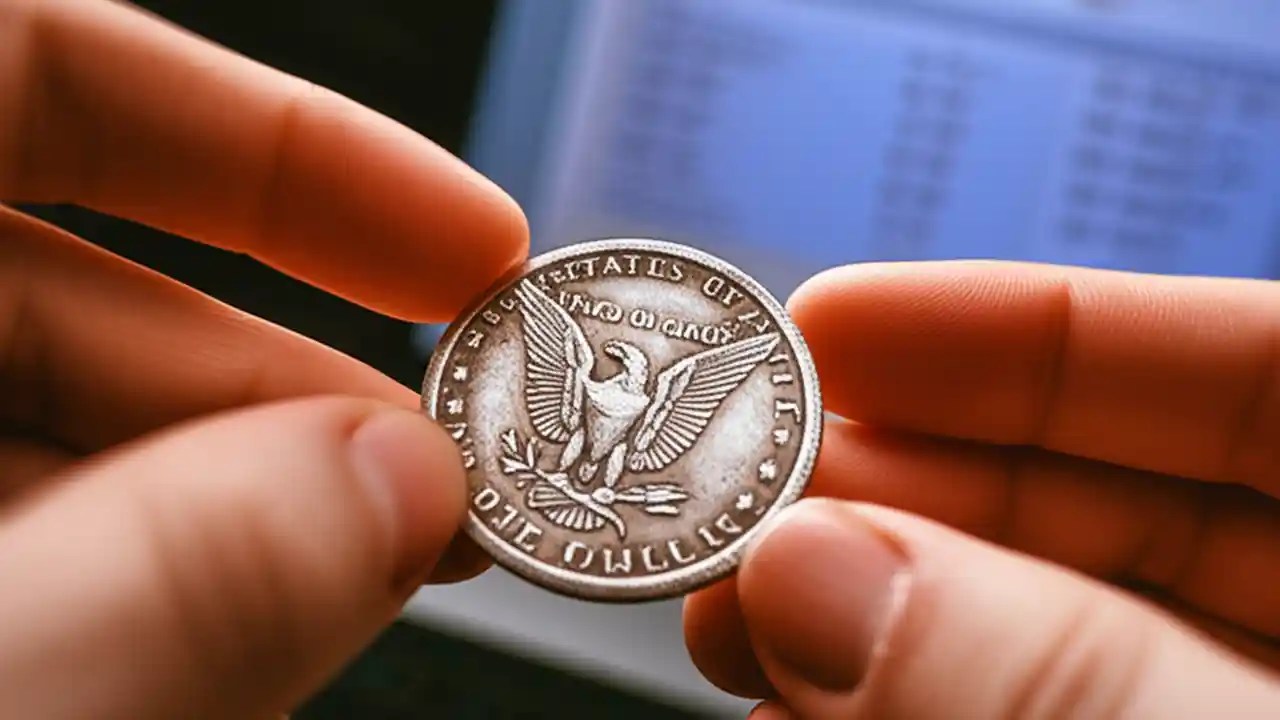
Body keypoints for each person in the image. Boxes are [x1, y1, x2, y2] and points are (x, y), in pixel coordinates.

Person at [1, 2, 1275, 718]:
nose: (634, 374)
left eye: (645, 377)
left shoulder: (669, 394)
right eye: (621, 369)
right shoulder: (577, 374)